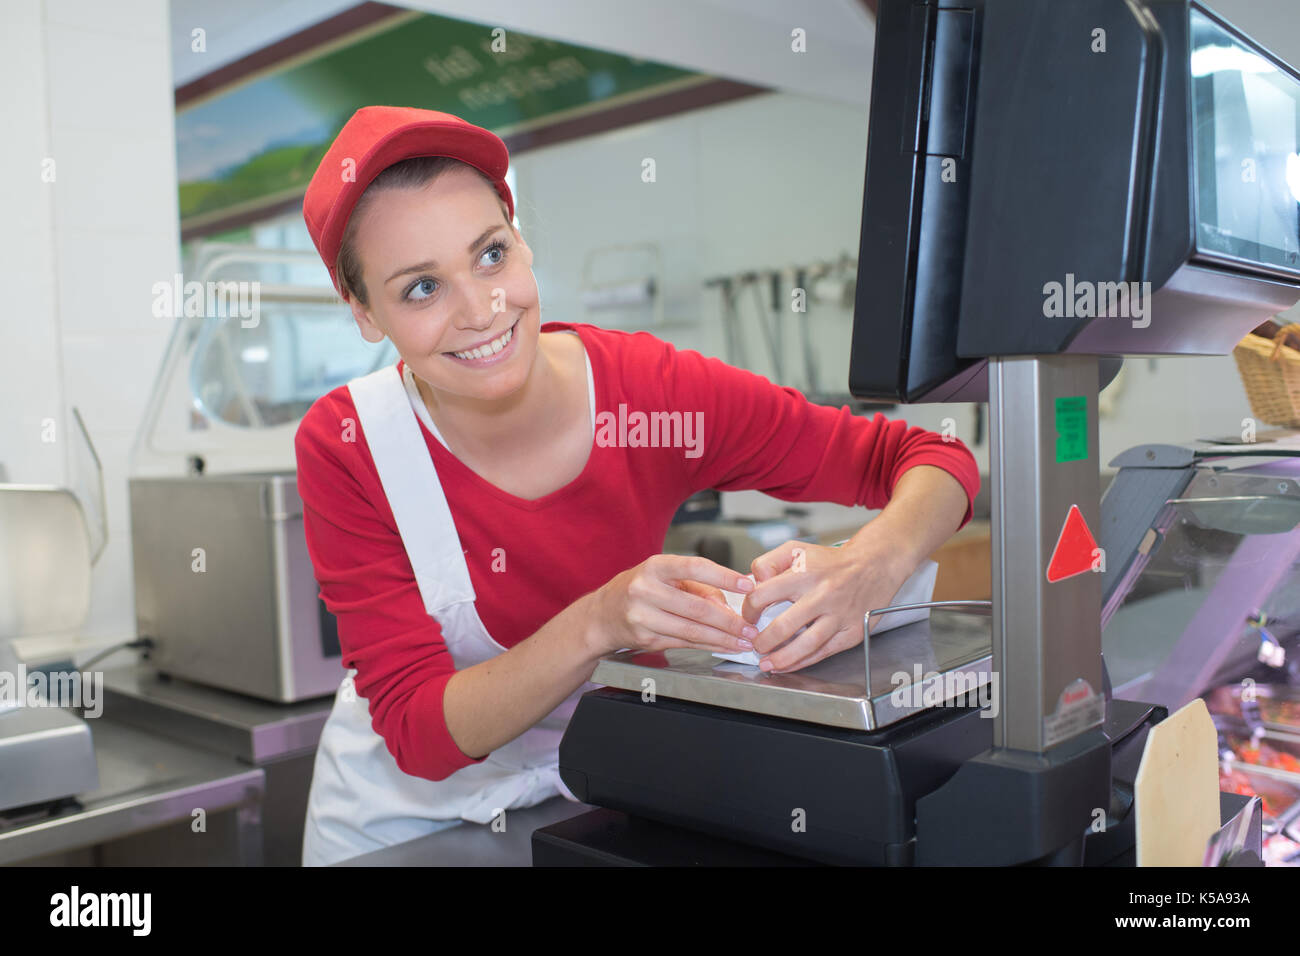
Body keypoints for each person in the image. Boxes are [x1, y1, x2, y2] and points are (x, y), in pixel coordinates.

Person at [294, 105, 979, 865]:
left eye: (490, 255)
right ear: (363, 312)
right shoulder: (352, 445)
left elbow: (931, 458)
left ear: (521, 241)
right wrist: (600, 621)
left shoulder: (649, 394)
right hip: (403, 830)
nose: (480, 307)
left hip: (590, 794)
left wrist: (869, 565)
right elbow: (421, 734)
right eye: (421, 288)